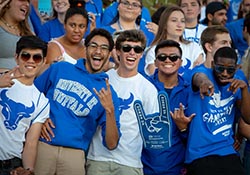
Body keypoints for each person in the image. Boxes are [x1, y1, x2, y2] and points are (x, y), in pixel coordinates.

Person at [34, 28, 120, 175]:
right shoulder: (60, 68)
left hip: (74, 154)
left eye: (104, 48)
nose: (98, 51)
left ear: (109, 54)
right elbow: (32, 94)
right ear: (85, 48)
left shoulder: (109, 93)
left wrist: (109, 110)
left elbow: (111, 144)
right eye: (93, 46)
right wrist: (39, 119)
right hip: (43, 146)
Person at [86, 29, 160, 175]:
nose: (132, 52)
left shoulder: (149, 89)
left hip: (129, 162)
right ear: (118, 51)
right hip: (98, 158)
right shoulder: (102, 79)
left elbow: (152, 132)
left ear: (141, 54)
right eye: (127, 48)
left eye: (137, 49)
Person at [185, 46, 250, 175]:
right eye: (220, 68)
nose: (225, 73)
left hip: (227, 150)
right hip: (200, 153)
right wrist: (204, 83)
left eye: (230, 70)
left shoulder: (238, 82)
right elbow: (199, 76)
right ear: (213, 64)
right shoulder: (201, 72)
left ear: (236, 68)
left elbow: (248, 119)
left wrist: (244, 90)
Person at [139, 39, 195, 175]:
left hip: (176, 168)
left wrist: (183, 128)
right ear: (156, 62)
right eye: (162, 57)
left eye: (174, 57)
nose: (168, 60)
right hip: (142, 166)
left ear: (181, 62)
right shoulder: (142, 86)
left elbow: (196, 137)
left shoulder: (190, 91)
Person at [0, 35, 50, 175]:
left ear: (43, 61)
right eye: (25, 56)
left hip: (11, 165)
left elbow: (31, 143)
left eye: (37, 57)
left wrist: (28, 170)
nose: (31, 61)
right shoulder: (1, 76)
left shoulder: (41, 101)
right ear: (16, 57)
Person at [144, 5, 204, 76]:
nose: (179, 25)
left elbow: (199, 74)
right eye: (174, 20)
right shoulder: (153, 50)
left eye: (182, 21)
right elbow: (155, 76)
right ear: (165, 24)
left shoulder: (194, 47)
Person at [41, 5, 88, 73]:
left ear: (86, 29)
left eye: (81, 26)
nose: (77, 30)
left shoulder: (89, 46)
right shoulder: (54, 46)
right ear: (64, 25)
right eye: (72, 25)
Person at [0, 0, 33, 70]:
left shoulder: (28, 28)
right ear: (7, 3)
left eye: (28, 2)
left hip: (28, 77)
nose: (27, 4)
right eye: (22, 0)